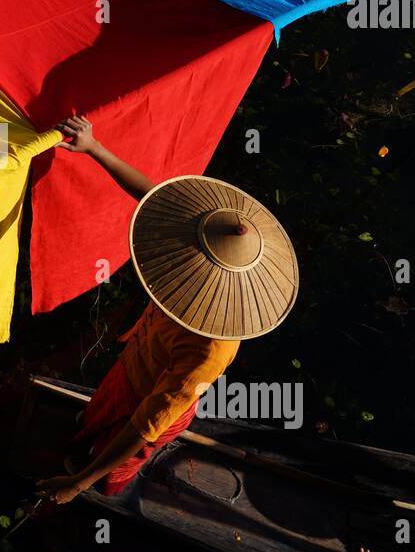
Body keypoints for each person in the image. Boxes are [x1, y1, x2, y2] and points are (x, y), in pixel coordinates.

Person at [38, 115, 299, 504]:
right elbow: (153, 198)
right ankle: (85, 446)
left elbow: (143, 427)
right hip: (133, 365)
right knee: (92, 420)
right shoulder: (200, 239)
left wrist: (77, 485)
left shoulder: (208, 351)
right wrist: (94, 148)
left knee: (114, 465)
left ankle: (97, 483)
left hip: (150, 401)